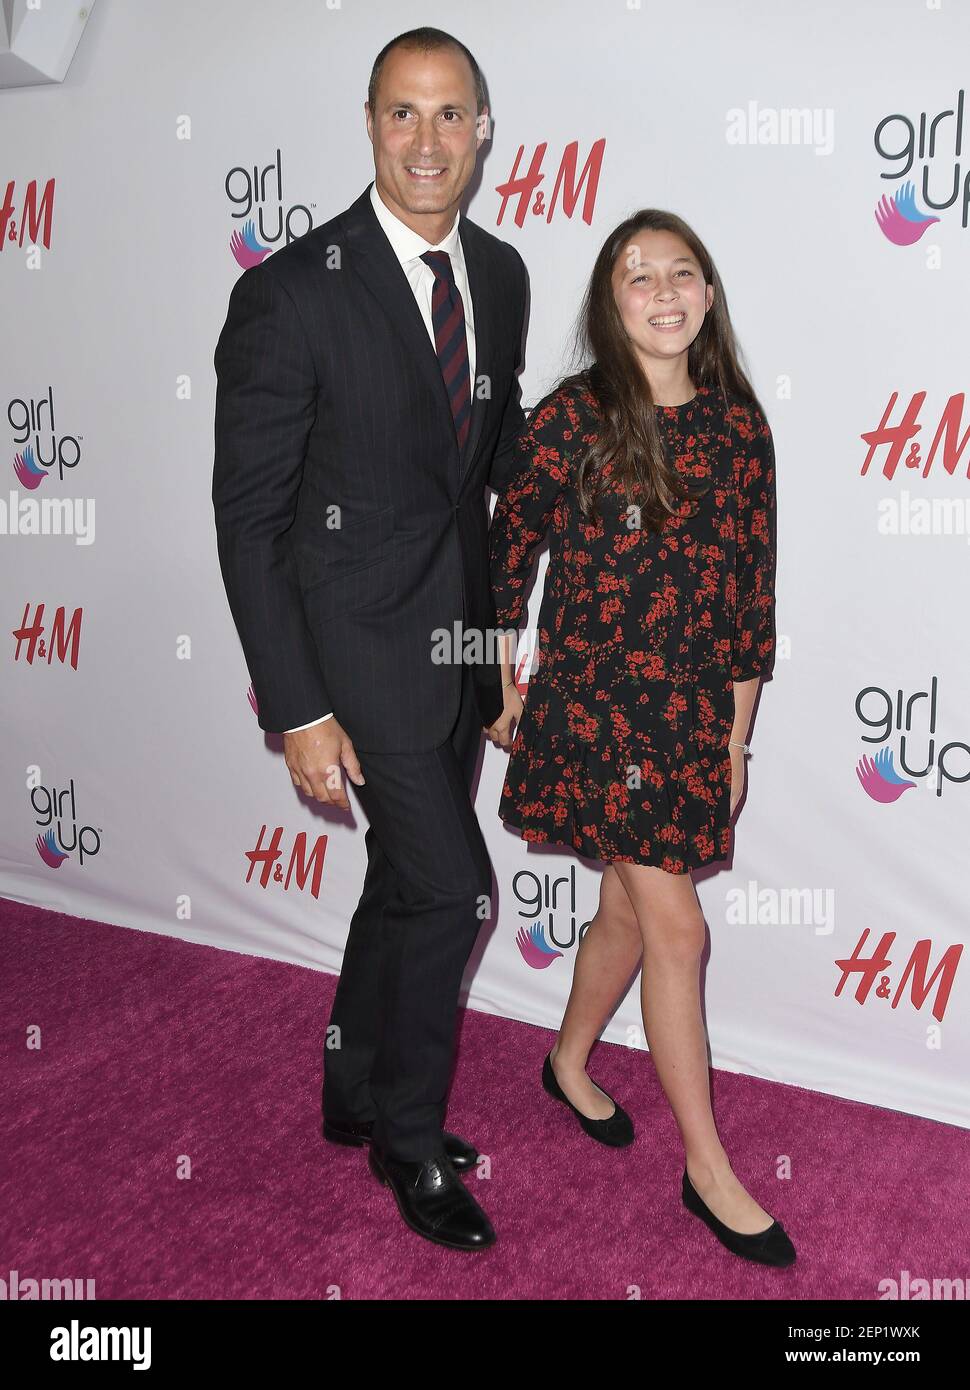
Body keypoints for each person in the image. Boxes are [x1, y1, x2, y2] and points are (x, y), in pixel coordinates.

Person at [212, 27, 528, 1252]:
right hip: (353, 657)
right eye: (404, 114)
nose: (428, 141)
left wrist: (494, 651)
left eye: (451, 115)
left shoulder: (498, 274)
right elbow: (249, 523)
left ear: (485, 129)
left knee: (402, 884)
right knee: (452, 891)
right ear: (367, 122)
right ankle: (407, 1140)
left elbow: (486, 482)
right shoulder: (292, 290)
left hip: (452, 651)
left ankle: (349, 1095)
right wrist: (298, 707)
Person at [486, 209, 795, 1268]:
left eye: (682, 274)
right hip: (592, 711)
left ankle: (569, 1060)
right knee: (678, 932)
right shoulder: (574, 416)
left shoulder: (741, 427)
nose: (663, 293)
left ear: (707, 297)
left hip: (690, 720)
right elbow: (504, 546)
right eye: (636, 279)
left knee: (625, 906)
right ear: (609, 307)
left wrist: (737, 739)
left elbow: (752, 597)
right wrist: (495, 669)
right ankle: (706, 1170)